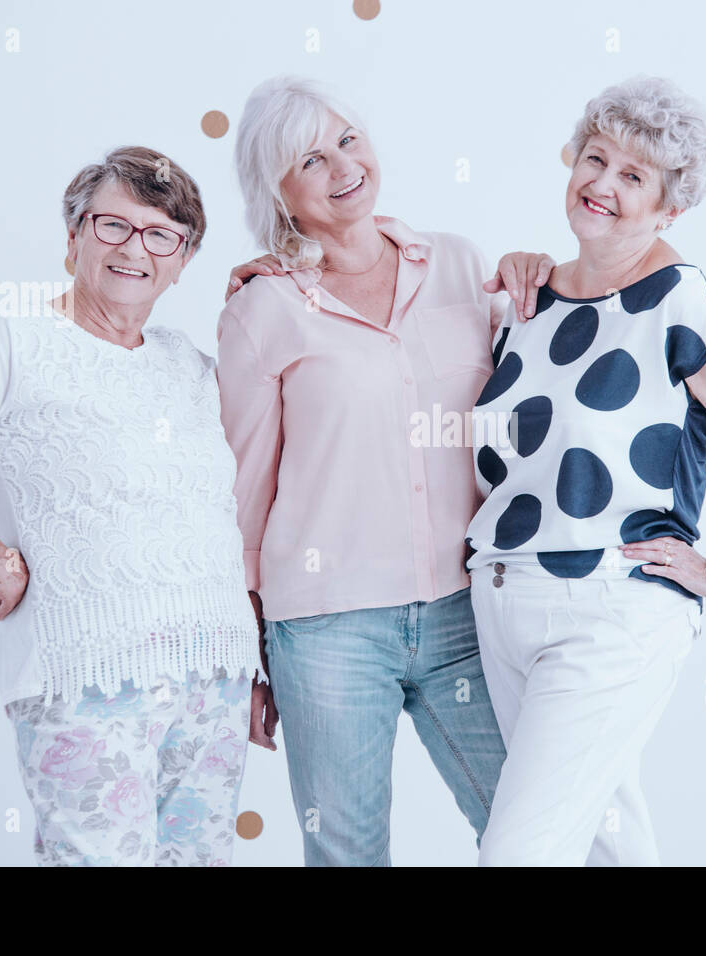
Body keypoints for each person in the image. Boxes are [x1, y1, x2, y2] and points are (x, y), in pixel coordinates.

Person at [0, 146, 262, 866]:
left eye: (162, 234)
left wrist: (271, 299)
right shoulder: (12, 342)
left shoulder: (190, 364)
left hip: (214, 679)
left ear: (183, 259)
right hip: (87, 682)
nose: (136, 248)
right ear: (73, 238)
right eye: (113, 226)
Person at [465, 75, 706, 866]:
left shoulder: (680, 304)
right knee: (609, 840)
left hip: (609, 611)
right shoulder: (527, 302)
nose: (601, 184)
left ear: (670, 209)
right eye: (595, 158)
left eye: (633, 177)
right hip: (502, 603)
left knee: (518, 853)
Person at [217, 75, 551, 865]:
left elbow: (547, 364)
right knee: (347, 853)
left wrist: (538, 267)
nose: (341, 167)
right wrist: (244, 648)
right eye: (309, 161)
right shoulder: (263, 310)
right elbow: (241, 491)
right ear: (280, 196)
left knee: (535, 833)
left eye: (347, 139)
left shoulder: (463, 267)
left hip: (468, 613)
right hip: (328, 628)